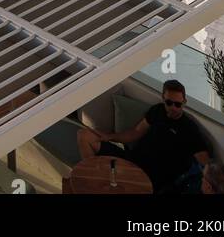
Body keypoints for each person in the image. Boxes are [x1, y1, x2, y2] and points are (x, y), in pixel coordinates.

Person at [76, 81, 210, 193]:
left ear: (184, 102)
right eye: (169, 103)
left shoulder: (188, 128)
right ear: (163, 98)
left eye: (178, 104)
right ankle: (94, 181)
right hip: (131, 161)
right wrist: (109, 137)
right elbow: (135, 132)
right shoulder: (157, 111)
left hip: (151, 178)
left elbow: (204, 160)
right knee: (84, 135)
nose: (173, 108)